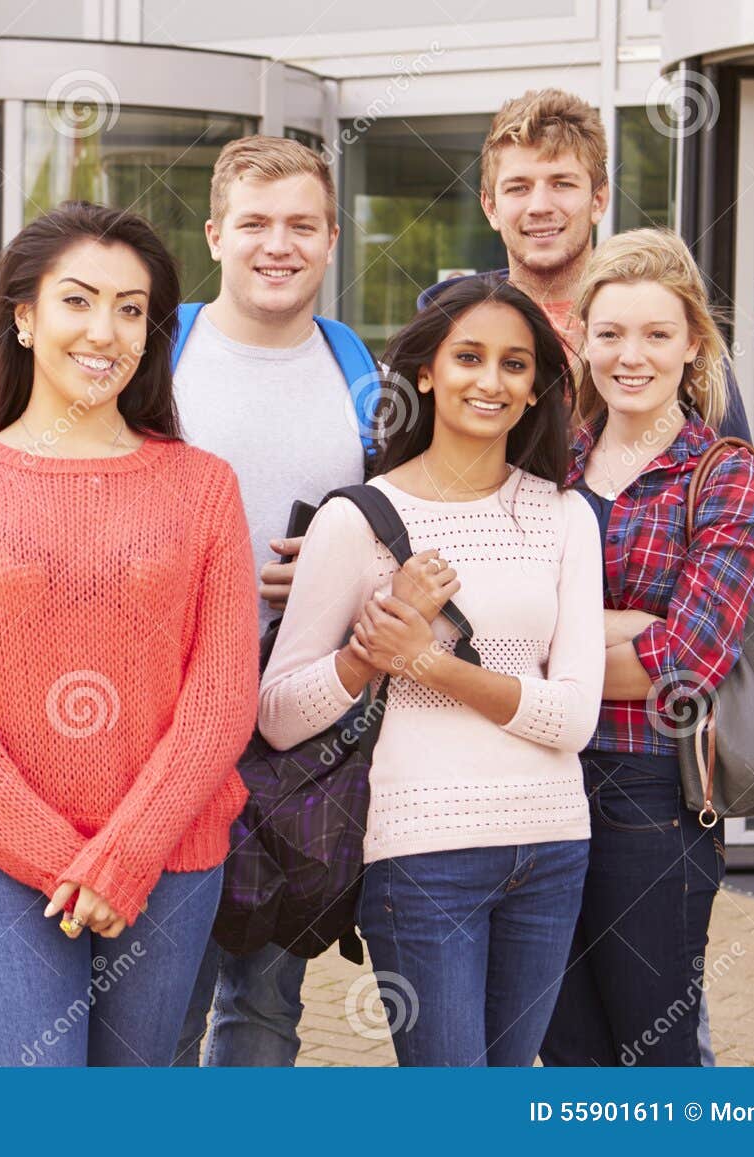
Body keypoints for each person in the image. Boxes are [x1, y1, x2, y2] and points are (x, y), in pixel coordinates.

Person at [0, 201, 260, 1067]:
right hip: (7, 866)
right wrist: (70, 862)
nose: (107, 331)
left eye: (132, 309)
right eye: (79, 301)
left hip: (170, 858)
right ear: (23, 316)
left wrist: (125, 855)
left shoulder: (203, 485)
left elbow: (222, 694)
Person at [258, 277, 603, 1066]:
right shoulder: (359, 519)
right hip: (420, 858)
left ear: (534, 389)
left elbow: (573, 716)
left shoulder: (564, 515)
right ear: (425, 372)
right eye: (469, 357)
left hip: (551, 845)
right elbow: (276, 712)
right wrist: (364, 658)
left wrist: (425, 662)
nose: (491, 380)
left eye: (515, 365)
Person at [540, 228, 754, 1067]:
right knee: (564, 1049)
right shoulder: (547, 464)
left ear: (692, 346)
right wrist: (621, 630)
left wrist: (553, 645)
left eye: (655, 335)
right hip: (536, 784)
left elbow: (686, 666)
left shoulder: (723, 474)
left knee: (654, 1051)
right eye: (609, 334)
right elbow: (491, 630)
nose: (629, 355)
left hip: (649, 795)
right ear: (581, 340)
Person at [171, 136, 379, 1067]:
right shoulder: (155, 348)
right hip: (163, 705)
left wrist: (347, 572)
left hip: (298, 724)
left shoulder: (358, 368)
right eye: (254, 224)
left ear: (332, 239)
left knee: (265, 1001)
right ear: (216, 234)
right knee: (155, 989)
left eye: (301, 225)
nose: (277, 245)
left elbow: (405, 525)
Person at [419, 87, 752, 450]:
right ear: (490, 207)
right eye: (518, 188)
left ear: (599, 199)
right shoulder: (446, 332)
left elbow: (733, 475)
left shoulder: (670, 329)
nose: (540, 206)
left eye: (562, 184)